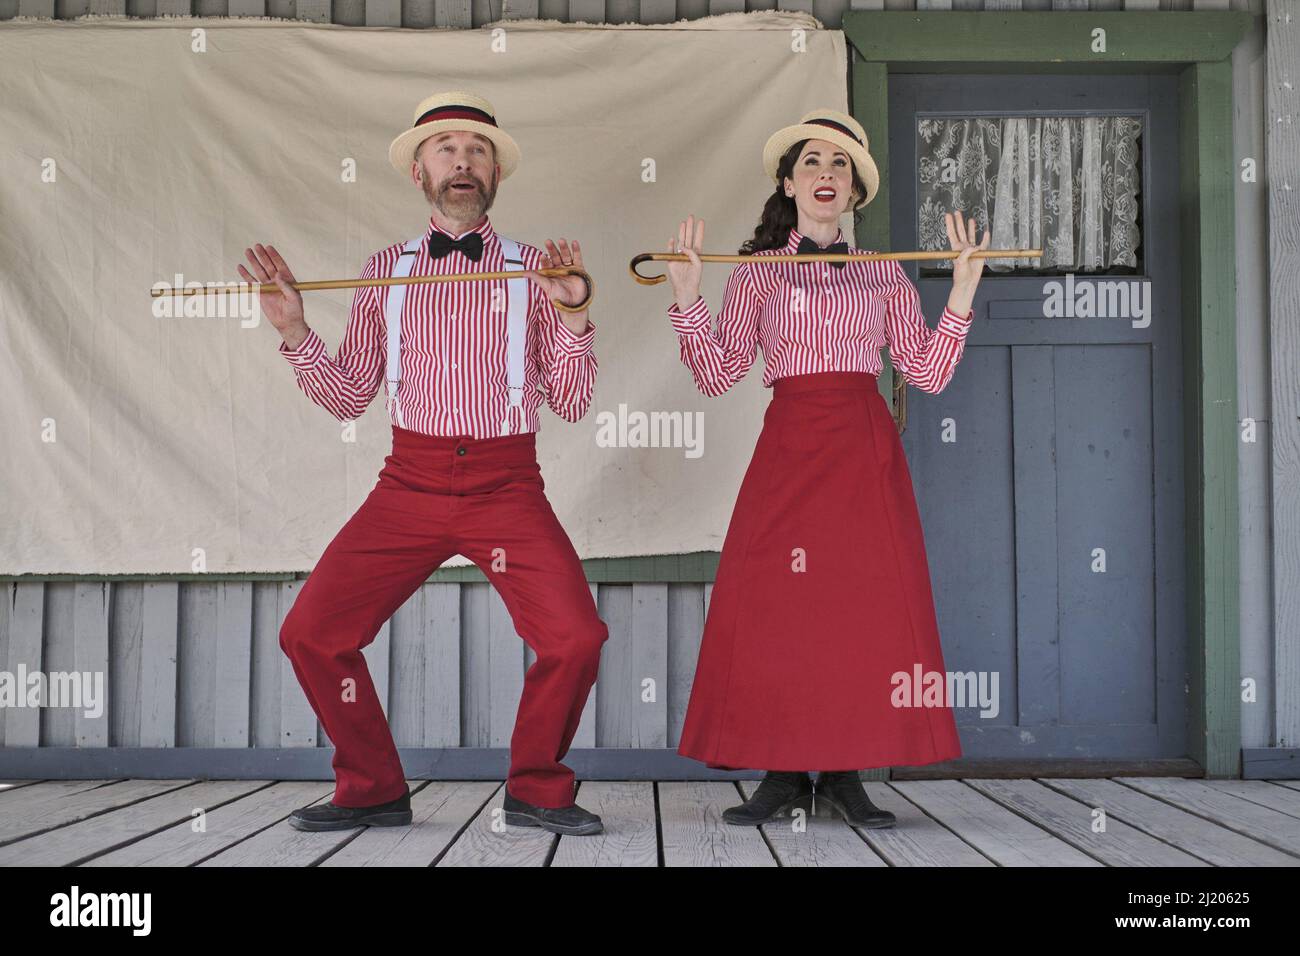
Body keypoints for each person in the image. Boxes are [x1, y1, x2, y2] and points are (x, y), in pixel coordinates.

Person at [239, 91, 608, 836]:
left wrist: (571, 317)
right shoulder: (385, 271)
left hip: (507, 483)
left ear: (495, 173)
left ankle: (538, 786)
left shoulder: (537, 269)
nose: (463, 161)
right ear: (419, 171)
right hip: (408, 482)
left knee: (576, 639)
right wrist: (295, 329)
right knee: (311, 632)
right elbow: (348, 397)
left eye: (477, 151)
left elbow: (570, 400)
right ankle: (372, 786)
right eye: (446, 149)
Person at [664, 108, 989, 828]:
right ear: (790, 181)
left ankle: (844, 773)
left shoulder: (882, 274)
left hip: (863, 449)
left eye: (839, 165)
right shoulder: (755, 274)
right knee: (778, 610)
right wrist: (687, 302)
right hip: (788, 446)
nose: (825, 174)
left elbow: (928, 372)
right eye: (812, 161)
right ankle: (782, 773)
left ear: (854, 193)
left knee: (861, 611)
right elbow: (718, 376)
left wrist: (961, 291)